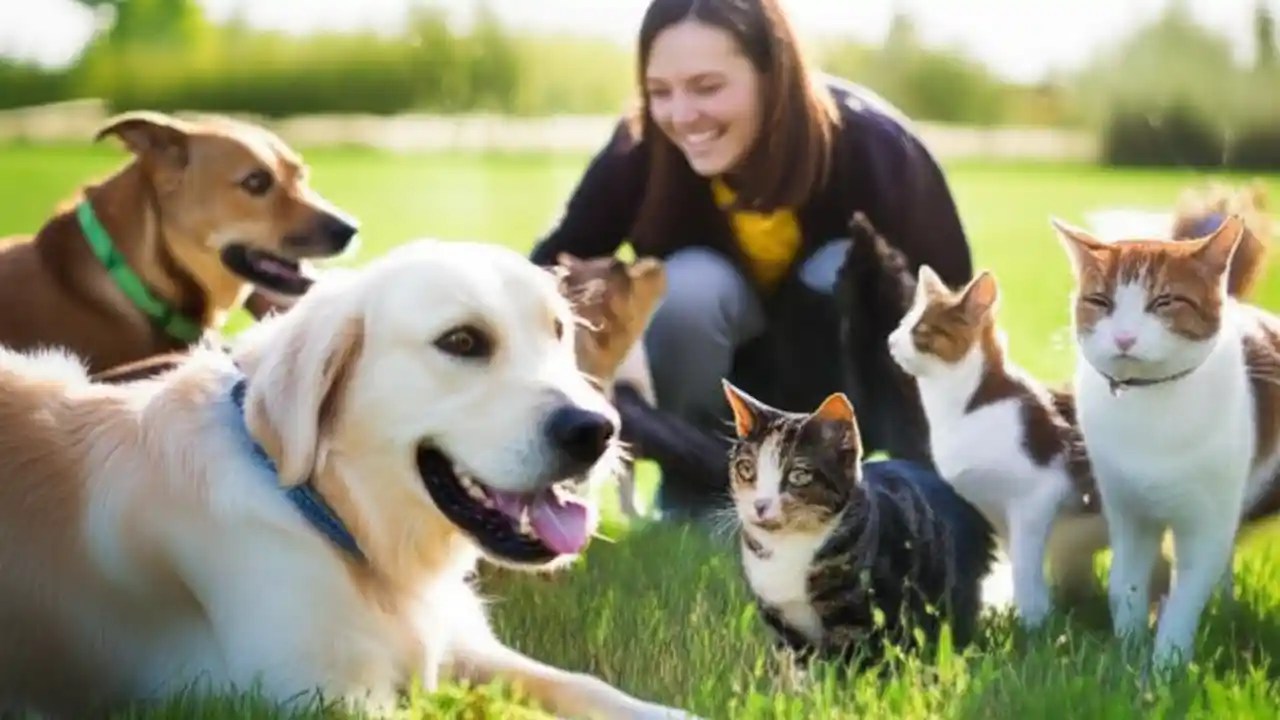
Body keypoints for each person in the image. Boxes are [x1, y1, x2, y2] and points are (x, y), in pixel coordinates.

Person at [529, 0, 972, 518]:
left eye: (708, 87)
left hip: (843, 390)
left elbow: (954, 306)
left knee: (842, 266)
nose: (682, 115)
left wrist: (941, 476)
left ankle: (847, 493)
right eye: (660, 92)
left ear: (773, 72)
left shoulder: (874, 147)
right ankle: (694, 502)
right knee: (690, 287)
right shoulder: (642, 150)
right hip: (719, 405)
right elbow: (544, 276)